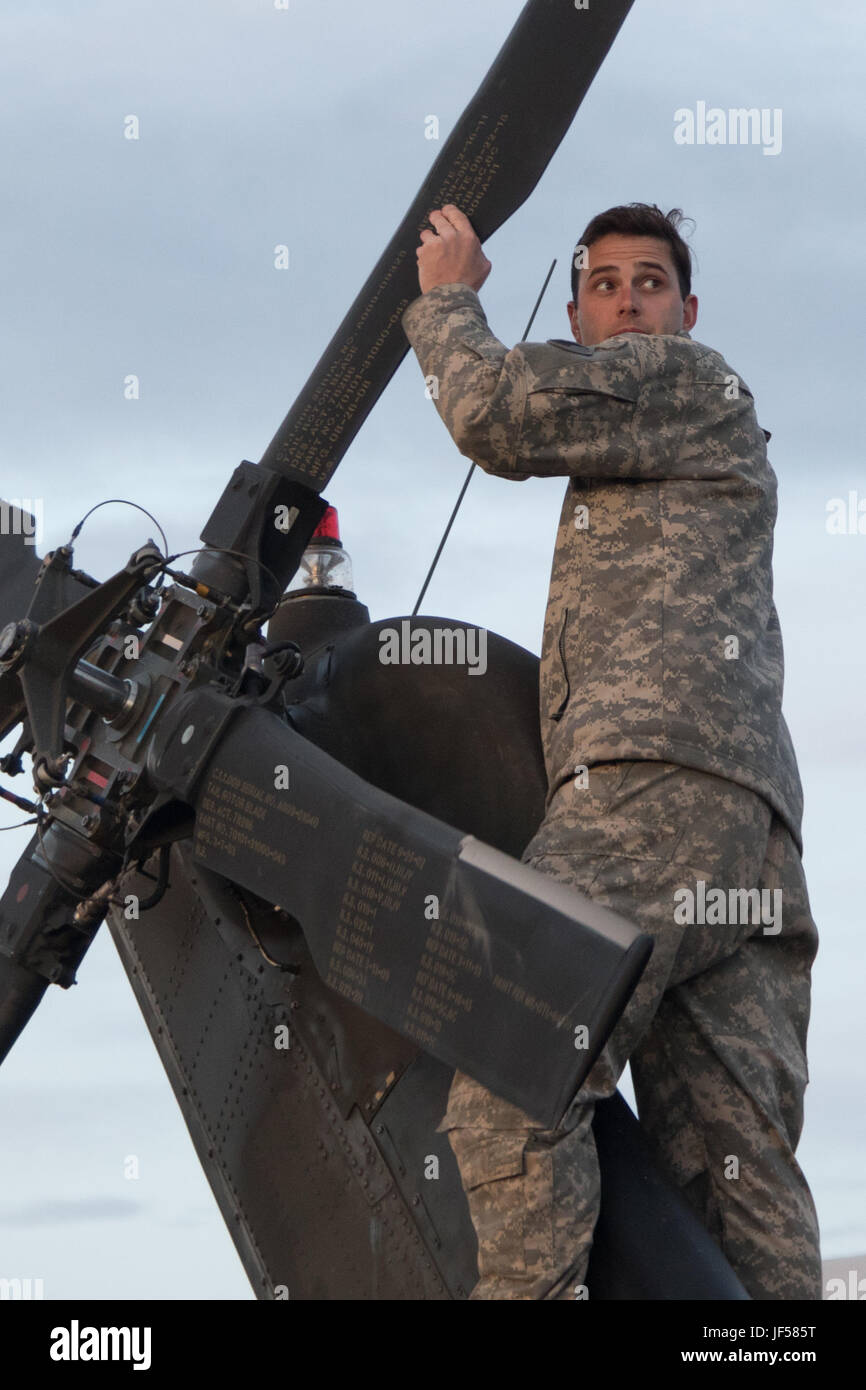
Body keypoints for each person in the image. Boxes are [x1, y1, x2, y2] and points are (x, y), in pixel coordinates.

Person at [400, 202, 822, 1301]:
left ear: (686, 313)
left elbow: (492, 412)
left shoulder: (686, 382)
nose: (627, 297)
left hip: (651, 793)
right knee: (731, 1177)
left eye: (648, 281)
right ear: (578, 313)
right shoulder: (672, 434)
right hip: (745, 837)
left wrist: (447, 292)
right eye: (602, 284)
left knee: (513, 1048)